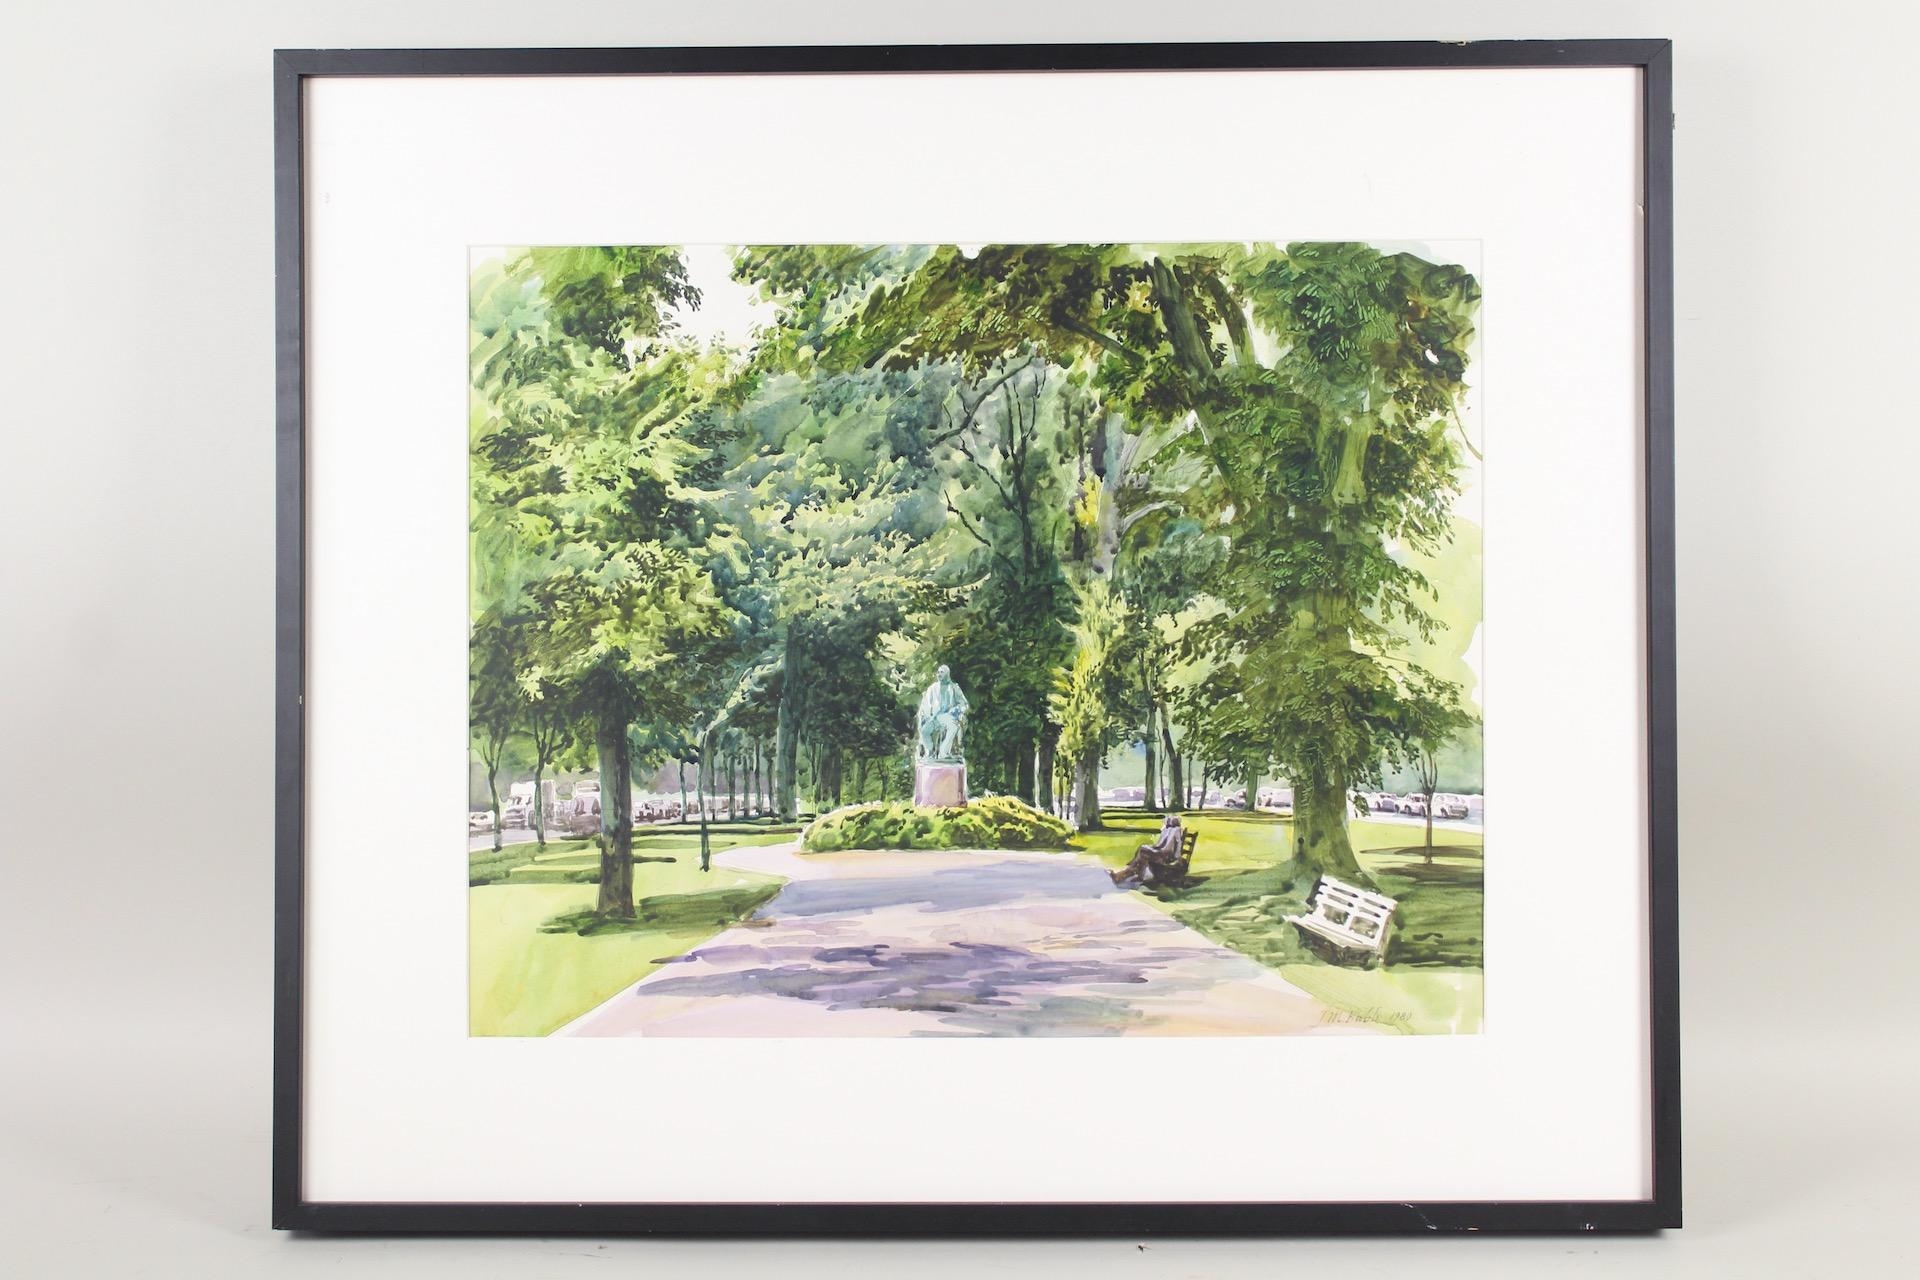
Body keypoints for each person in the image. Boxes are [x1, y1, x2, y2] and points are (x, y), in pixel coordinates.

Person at [1113, 813, 1186, 887]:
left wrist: (1177, 857)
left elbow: (1178, 844)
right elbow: (1160, 844)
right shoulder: (1167, 830)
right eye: (1169, 820)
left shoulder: (1177, 830)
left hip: (1166, 856)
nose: (1169, 822)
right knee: (1143, 853)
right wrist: (1153, 848)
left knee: (1143, 851)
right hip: (1161, 853)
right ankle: (1124, 875)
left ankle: (1122, 875)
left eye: (1170, 820)